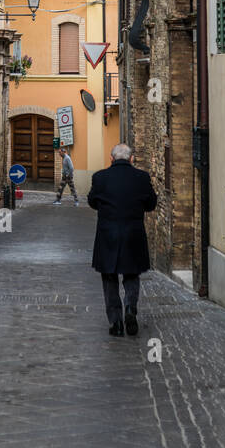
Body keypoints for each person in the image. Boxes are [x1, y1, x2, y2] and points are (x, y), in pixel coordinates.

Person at [87, 142, 157, 336]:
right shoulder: (141, 178)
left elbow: (92, 201)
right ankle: (130, 307)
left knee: (109, 277)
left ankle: (116, 323)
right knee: (132, 274)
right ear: (131, 158)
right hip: (133, 234)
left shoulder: (100, 178)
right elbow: (151, 203)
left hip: (107, 235)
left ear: (111, 158)